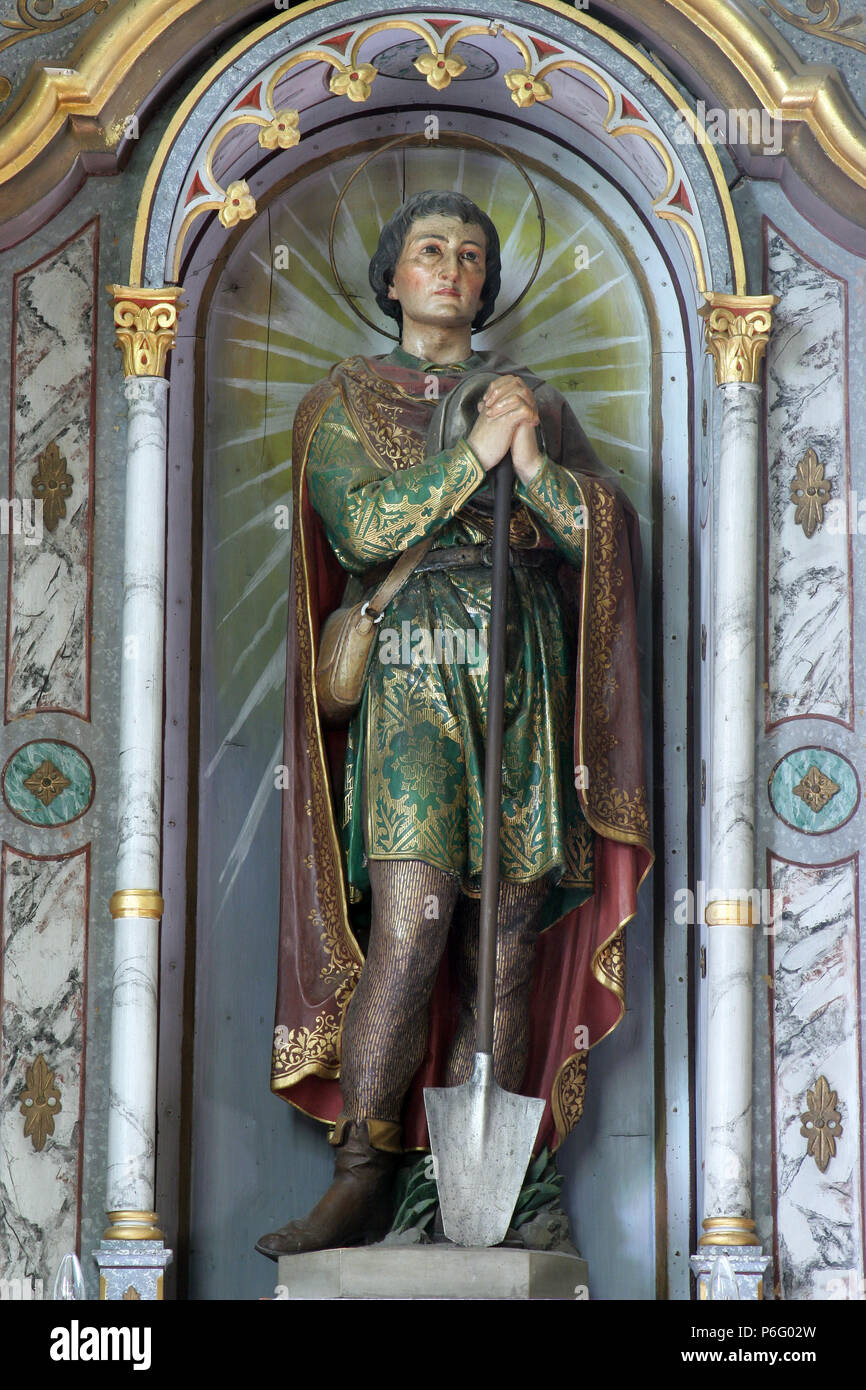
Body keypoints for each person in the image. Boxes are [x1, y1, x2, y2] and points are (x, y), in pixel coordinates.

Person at [256, 190, 651, 1259]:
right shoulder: (343, 398)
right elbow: (363, 521)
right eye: (429, 251)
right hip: (413, 668)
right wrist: (475, 452)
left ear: (485, 282)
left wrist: (530, 465)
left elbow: (598, 535)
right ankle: (363, 1177)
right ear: (391, 278)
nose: (451, 267)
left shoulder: (534, 403)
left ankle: (487, 1185)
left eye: (470, 255)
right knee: (417, 917)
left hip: (523, 672)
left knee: (508, 943)